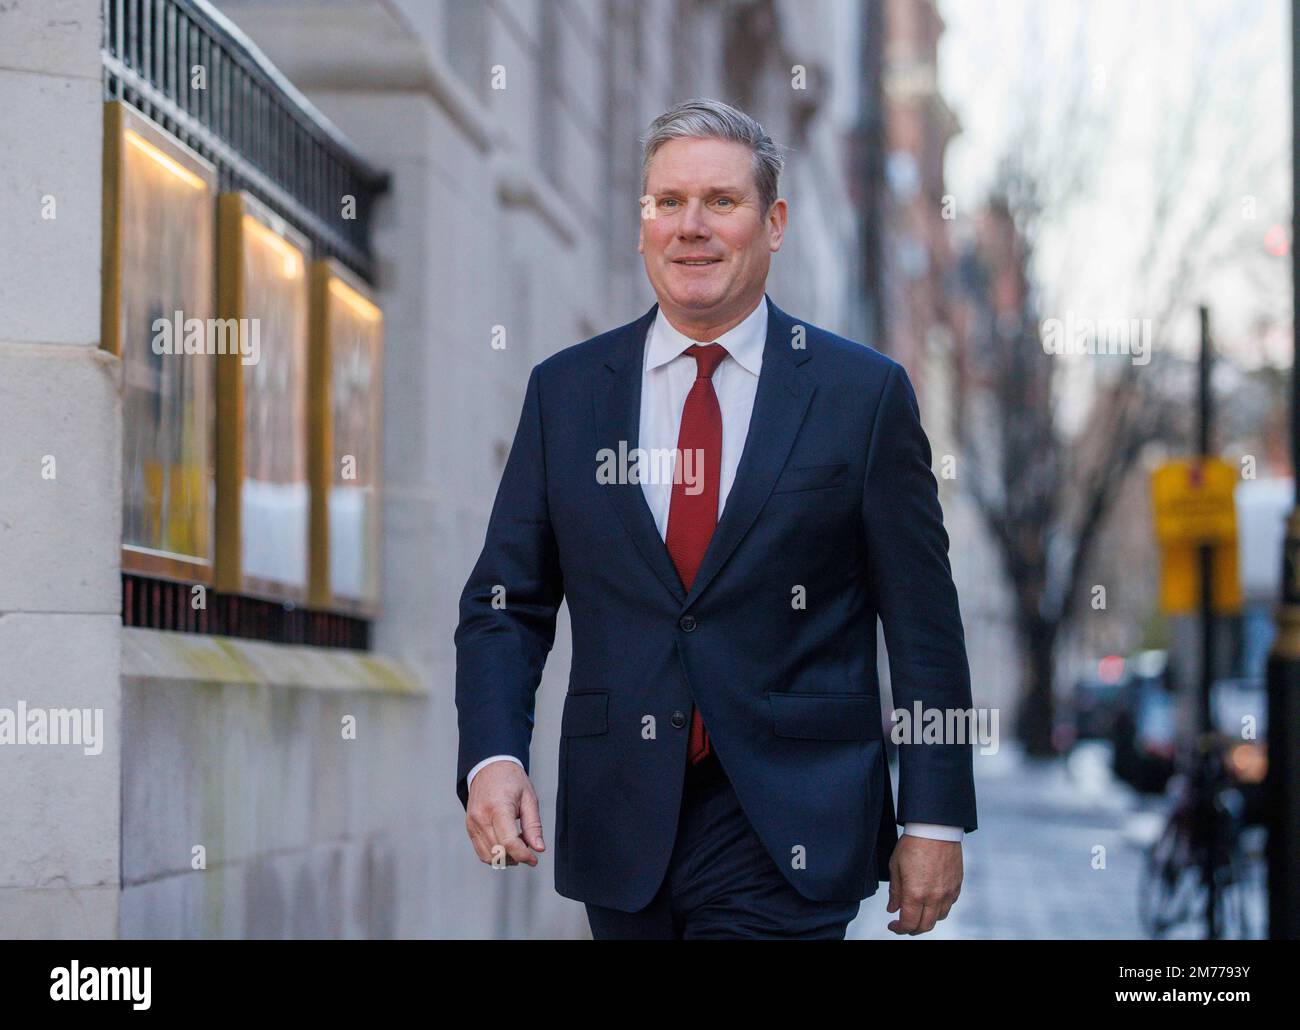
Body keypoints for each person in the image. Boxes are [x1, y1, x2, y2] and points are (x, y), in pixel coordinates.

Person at [454, 98, 977, 939]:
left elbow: (924, 626)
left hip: (790, 826)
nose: (690, 227)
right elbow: (503, 604)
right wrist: (493, 755)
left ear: (772, 223)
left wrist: (935, 817)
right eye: (668, 203)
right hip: (623, 824)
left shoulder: (861, 397)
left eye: (720, 203)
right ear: (642, 225)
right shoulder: (568, 392)